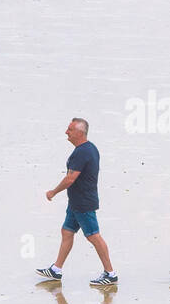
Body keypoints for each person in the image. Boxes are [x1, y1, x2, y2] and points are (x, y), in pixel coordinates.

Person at [38, 118, 117, 286]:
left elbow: (70, 178)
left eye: (70, 129)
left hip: (83, 203)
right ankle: (56, 270)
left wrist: (53, 191)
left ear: (80, 133)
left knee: (93, 236)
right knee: (67, 232)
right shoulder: (89, 148)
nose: (66, 132)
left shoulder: (82, 152)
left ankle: (110, 274)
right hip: (76, 202)